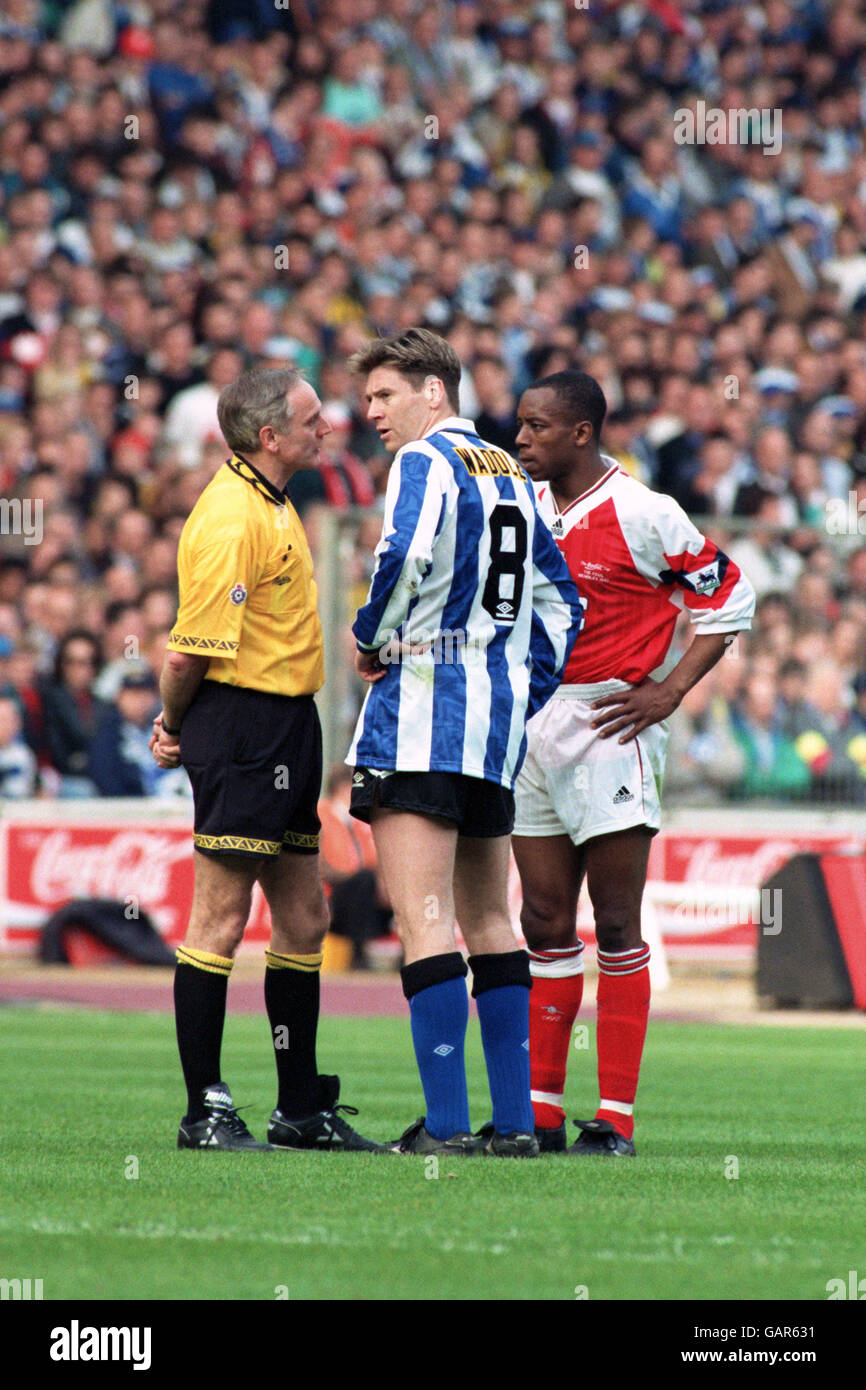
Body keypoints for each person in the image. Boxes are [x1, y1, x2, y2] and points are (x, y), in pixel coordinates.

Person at [346, 328, 584, 1157]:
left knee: (426, 919)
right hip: (493, 733)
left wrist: (369, 635)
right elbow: (565, 604)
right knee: (492, 920)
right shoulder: (514, 471)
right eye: (367, 399)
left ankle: (446, 1127)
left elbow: (404, 549)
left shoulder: (423, 463)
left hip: (417, 718)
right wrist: (523, 689)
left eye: (385, 395)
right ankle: (514, 1125)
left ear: (434, 391)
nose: (372, 412)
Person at [512, 370, 756, 1155]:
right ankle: (541, 1112)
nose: (521, 439)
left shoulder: (645, 512)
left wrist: (671, 688)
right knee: (543, 919)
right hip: (531, 722)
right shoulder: (520, 506)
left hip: (613, 720)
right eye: (521, 424)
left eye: (537, 427)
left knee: (615, 920)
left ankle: (614, 1119)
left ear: (582, 433)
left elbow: (729, 595)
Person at [150, 366, 383, 1152]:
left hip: (288, 723)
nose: (330, 427)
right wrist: (173, 723)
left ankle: (299, 1107)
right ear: (268, 437)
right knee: (218, 918)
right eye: (313, 419)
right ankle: (204, 1108)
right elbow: (188, 655)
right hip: (243, 724)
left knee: (305, 914)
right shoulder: (229, 519)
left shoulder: (275, 501)